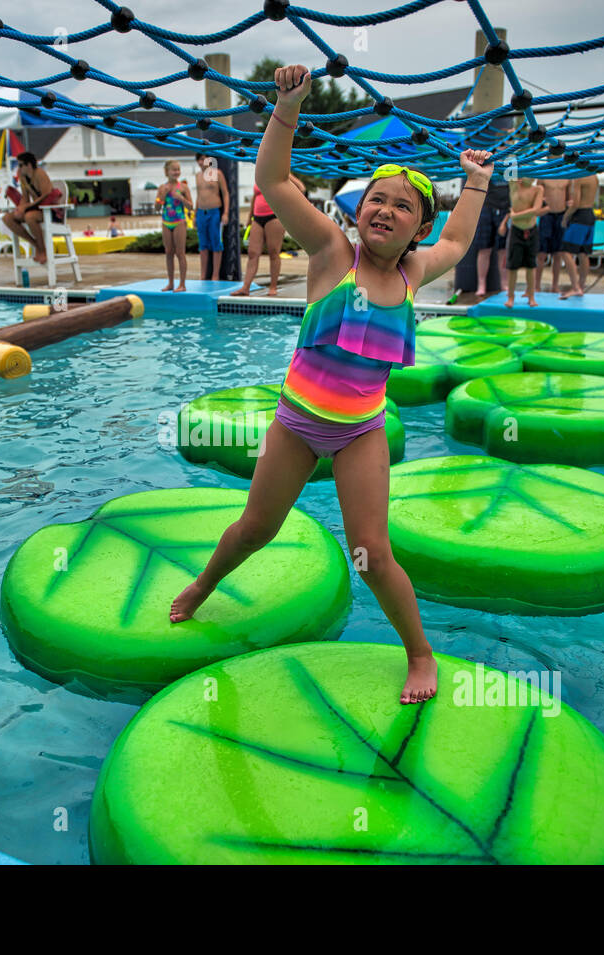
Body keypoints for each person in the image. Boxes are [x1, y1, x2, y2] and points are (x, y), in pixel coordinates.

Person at [169, 63, 495, 705]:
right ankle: (205, 585)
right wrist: (287, 104)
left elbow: (460, 235)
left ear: (416, 228)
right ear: (360, 206)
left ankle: (420, 653)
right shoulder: (330, 251)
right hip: (295, 423)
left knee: (372, 550)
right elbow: (271, 180)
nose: (387, 210)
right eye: (379, 198)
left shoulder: (415, 271)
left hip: (359, 432)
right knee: (255, 527)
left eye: (404, 206)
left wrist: (477, 182)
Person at [231, 176, 305, 296]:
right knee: (252, 253)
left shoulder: (281, 172)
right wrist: (250, 217)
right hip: (257, 217)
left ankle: (273, 286)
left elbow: (301, 188)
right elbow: (255, 196)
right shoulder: (260, 172)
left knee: (273, 252)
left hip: (274, 216)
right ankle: (245, 287)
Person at [1, 151, 56, 265]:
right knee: (7, 218)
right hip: (34, 209)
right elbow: (25, 197)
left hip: (49, 211)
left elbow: (46, 195)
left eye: (21, 165)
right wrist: (20, 209)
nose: (19, 168)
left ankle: (43, 250)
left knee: (29, 217)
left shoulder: (40, 174)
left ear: (29, 165)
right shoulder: (23, 177)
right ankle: (36, 245)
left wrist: (25, 207)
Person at [499, 177, 545, 308]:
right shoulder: (515, 186)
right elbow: (511, 162)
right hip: (516, 231)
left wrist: (515, 216)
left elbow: (536, 210)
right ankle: (511, 297)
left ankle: (531, 296)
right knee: (512, 266)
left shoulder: (538, 189)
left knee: (531, 266)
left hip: (531, 230)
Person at [558, 173, 600, 298]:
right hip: (590, 215)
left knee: (565, 251)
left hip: (580, 217)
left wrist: (565, 217)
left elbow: (575, 204)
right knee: (583, 253)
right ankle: (580, 287)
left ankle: (575, 287)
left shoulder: (579, 177)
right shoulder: (594, 177)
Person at [155, 159, 193, 292]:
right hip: (166, 222)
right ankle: (170, 283)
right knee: (168, 252)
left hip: (179, 222)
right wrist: (162, 197)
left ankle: (182, 284)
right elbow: (156, 207)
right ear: (167, 172)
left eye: (178, 169)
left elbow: (191, 206)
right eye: (174, 169)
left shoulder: (183, 187)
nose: (176, 172)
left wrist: (181, 199)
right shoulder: (162, 188)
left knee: (180, 253)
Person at [193, 152, 230, 282]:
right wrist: (194, 214)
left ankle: (215, 275)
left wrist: (225, 213)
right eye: (199, 159)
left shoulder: (217, 174)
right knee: (203, 246)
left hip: (215, 212)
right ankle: (203, 275)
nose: (201, 161)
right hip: (201, 213)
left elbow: (225, 194)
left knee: (216, 244)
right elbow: (198, 196)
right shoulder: (197, 176)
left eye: (204, 159)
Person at [473, 178, 509, 297]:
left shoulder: (512, 162)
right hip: (487, 205)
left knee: (503, 250)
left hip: (506, 208)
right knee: (484, 249)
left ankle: (504, 283)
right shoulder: (490, 161)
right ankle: (481, 284)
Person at [536, 178, 568, 292]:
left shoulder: (566, 175)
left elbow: (568, 198)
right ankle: (537, 286)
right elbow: (537, 194)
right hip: (546, 216)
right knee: (541, 254)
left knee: (558, 254)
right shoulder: (543, 176)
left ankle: (555, 285)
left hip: (560, 216)